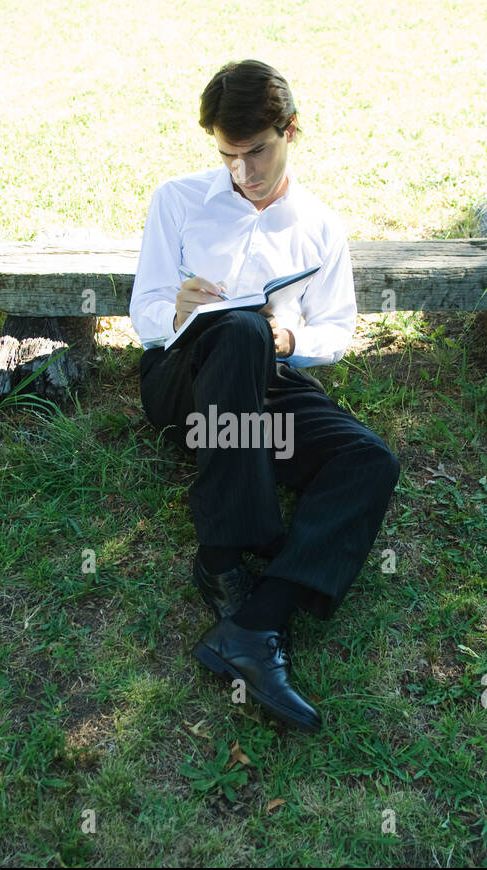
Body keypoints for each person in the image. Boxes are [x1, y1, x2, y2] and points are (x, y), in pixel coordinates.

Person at [129, 59, 400, 732]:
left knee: (369, 461)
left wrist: (291, 336)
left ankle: (255, 621)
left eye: (257, 152)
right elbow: (144, 315)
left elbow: (337, 328)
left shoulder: (319, 226)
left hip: (265, 384)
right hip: (183, 388)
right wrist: (180, 310)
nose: (243, 172)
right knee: (237, 331)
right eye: (228, 155)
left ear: (292, 130)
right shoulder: (178, 200)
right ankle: (223, 555)